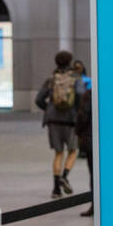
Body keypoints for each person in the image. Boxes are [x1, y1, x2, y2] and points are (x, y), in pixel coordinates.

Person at [34, 50, 92, 207]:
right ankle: (65, 176)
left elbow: (39, 99)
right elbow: (81, 98)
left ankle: (56, 189)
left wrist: (49, 109)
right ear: (69, 62)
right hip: (70, 120)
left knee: (58, 153)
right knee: (73, 151)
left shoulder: (51, 79)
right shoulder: (76, 78)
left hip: (53, 120)